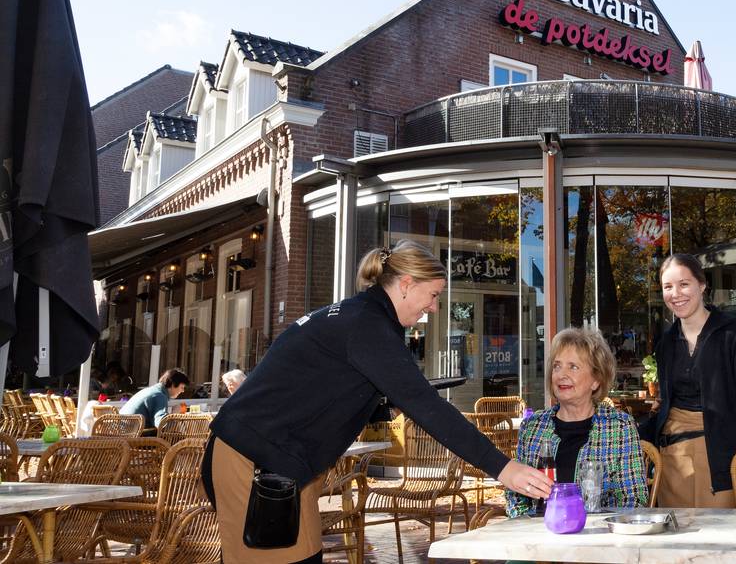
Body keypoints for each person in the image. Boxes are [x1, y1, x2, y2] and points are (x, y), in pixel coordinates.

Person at [202, 240, 552, 564]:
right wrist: (504, 469)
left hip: (285, 465)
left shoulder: (363, 318)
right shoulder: (367, 325)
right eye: (433, 295)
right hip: (252, 460)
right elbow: (429, 408)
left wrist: (382, 408)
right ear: (406, 284)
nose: (434, 307)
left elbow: (322, 393)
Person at [641, 253, 736, 510]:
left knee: (723, 545)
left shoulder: (733, 336)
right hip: (672, 465)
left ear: (702, 285)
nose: (676, 293)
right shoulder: (666, 345)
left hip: (720, 463)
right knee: (676, 547)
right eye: (668, 287)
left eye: (684, 284)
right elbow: (666, 408)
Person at [506, 328, 647, 517]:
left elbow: (634, 499)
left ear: (596, 380)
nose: (561, 374)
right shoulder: (533, 427)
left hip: (599, 538)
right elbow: (515, 496)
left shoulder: (619, 427)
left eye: (573, 366)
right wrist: (530, 527)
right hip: (540, 536)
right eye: (557, 366)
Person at [121, 368, 188, 429]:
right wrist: (174, 414)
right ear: (173, 384)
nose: (183, 391)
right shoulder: (159, 395)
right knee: (178, 438)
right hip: (130, 434)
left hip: (122, 430)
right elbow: (163, 426)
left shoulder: (154, 390)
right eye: (182, 387)